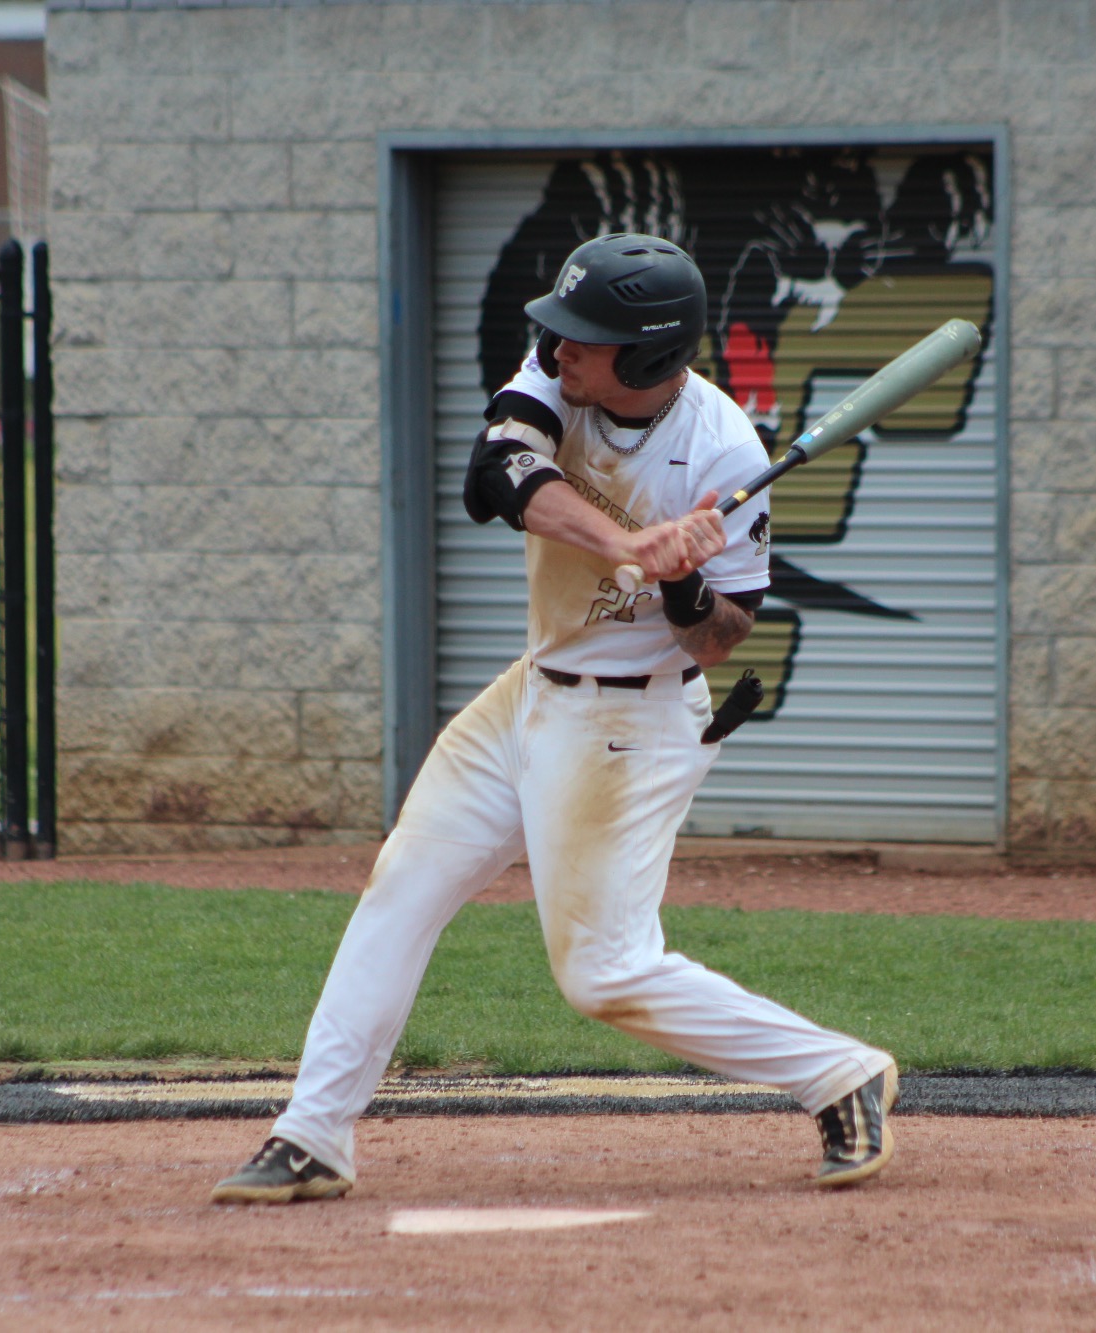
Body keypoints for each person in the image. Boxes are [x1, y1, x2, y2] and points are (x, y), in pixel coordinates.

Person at [209, 234, 899, 1205]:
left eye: (585, 339)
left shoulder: (722, 453)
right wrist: (629, 542)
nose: (557, 346)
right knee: (401, 882)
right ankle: (313, 1132)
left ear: (649, 359)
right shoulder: (553, 375)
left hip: (630, 728)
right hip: (530, 692)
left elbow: (720, 641)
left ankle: (837, 1071)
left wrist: (686, 584)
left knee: (603, 974)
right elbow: (495, 475)